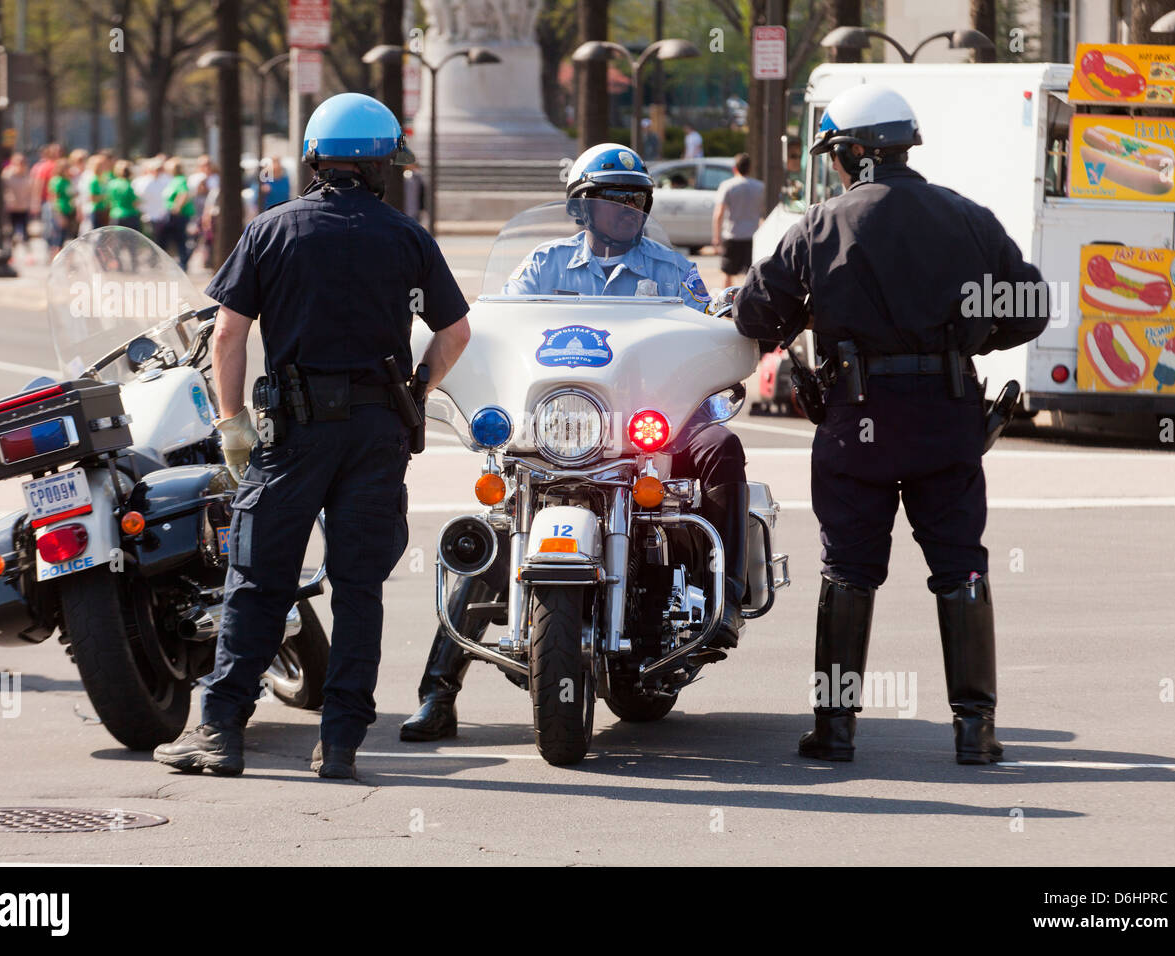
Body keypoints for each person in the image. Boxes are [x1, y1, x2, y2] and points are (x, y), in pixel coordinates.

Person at [153, 92, 472, 779]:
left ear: (312, 158)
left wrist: (231, 422)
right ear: (383, 164)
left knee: (259, 581)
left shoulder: (272, 229)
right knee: (360, 587)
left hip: (295, 433)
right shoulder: (407, 237)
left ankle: (221, 734)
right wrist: (415, 390)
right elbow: (456, 332)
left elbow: (230, 334)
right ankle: (342, 742)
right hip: (377, 432)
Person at [731, 85, 1049, 764]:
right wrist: (962, 341)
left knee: (848, 569)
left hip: (859, 420)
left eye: (836, 155)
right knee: (962, 566)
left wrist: (808, 312)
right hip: (947, 418)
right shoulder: (969, 217)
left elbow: (757, 316)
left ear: (851, 152)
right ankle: (976, 731)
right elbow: (1029, 310)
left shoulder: (822, 224)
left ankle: (836, 731)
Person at [399, 143, 753, 742]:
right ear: (580, 209)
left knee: (722, 446)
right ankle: (438, 694)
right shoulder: (542, 266)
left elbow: (707, 328)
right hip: (554, 430)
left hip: (649, 427)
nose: (628, 208)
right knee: (497, 534)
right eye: (611, 198)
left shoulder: (671, 270)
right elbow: (491, 326)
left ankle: (723, 593)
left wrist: (726, 328)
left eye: (636, 198)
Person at [712, 152, 765, 286]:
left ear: (734, 168)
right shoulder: (760, 187)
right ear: (750, 168)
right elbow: (763, 213)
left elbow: (719, 213)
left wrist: (716, 237)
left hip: (732, 235)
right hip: (752, 235)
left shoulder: (727, 185)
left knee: (728, 273)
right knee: (750, 274)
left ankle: (727, 303)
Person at [156, 158, 193, 270]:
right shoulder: (174, 180)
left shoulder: (180, 180)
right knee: (171, 239)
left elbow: (184, 194)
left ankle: (182, 263)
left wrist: (177, 208)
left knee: (179, 239)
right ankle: (171, 262)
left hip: (177, 215)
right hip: (172, 214)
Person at [2, 152, 35, 263]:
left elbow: (31, 191)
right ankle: (9, 254)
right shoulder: (7, 175)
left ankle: (28, 255)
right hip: (11, 208)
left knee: (25, 233)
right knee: (10, 233)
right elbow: (4, 191)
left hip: (24, 207)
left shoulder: (27, 175)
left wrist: (31, 203)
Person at [105, 160, 142, 231]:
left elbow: (107, 200)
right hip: (129, 216)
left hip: (115, 215)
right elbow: (134, 202)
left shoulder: (111, 184)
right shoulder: (128, 185)